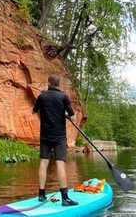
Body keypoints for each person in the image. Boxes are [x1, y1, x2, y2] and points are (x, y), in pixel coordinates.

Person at [33, 74, 78, 206]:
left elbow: (35, 111)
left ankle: (41, 194)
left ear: (49, 83)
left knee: (43, 163)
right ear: (59, 84)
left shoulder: (42, 96)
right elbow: (73, 116)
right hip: (59, 137)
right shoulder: (63, 96)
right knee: (60, 164)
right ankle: (65, 198)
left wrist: (44, 117)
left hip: (45, 135)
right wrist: (64, 115)